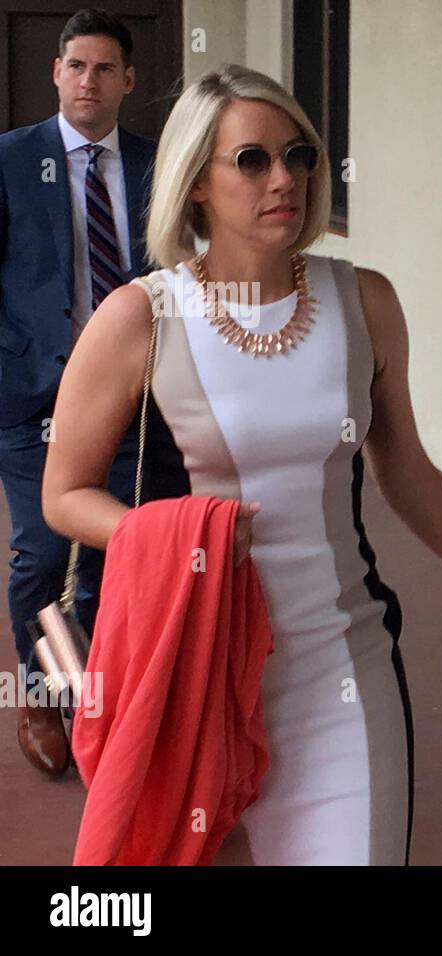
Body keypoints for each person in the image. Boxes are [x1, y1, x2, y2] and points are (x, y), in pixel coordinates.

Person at [42, 64, 442, 865]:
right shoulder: (142, 316)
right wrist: (177, 537)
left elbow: (406, 470)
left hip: (341, 665)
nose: (283, 177)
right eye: (251, 161)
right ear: (196, 185)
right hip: (199, 670)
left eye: (300, 155)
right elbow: (64, 493)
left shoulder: (366, 302)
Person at [0, 8, 188, 776]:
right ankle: (44, 693)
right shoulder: (11, 159)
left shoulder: (157, 166)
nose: (89, 80)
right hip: (34, 396)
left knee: (120, 552)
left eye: (106, 69)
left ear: (128, 82)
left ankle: (98, 701)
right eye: (77, 65)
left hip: (138, 396)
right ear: (56, 72)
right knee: (40, 557)